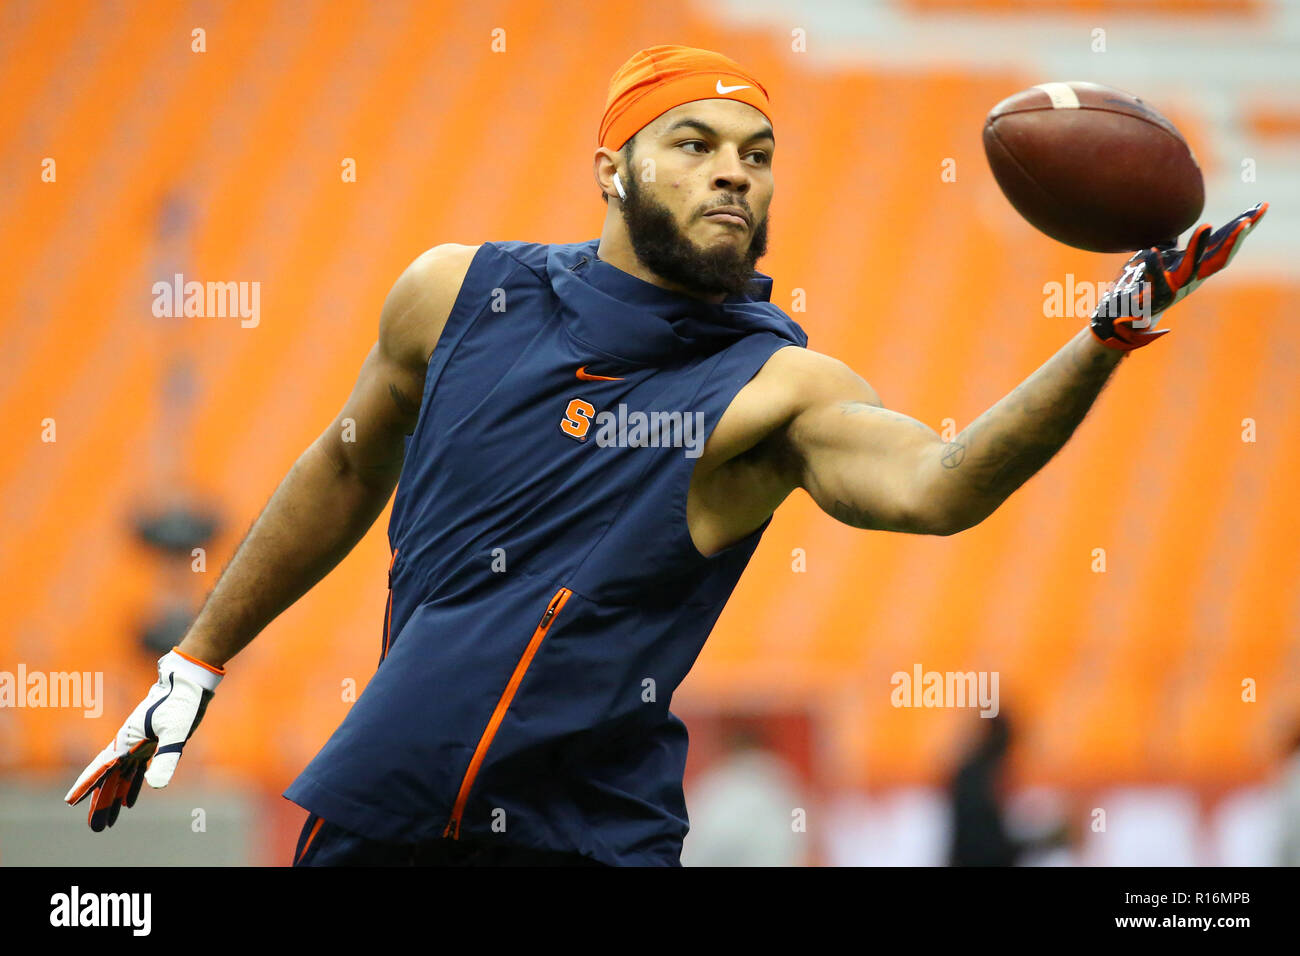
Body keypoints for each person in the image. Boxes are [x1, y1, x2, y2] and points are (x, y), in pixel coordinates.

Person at [64, 44, 1267, 866]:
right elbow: (339, 465)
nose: (733, 171)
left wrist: (1102, 337)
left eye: (755, 150)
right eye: (693, 143)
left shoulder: (772, 384)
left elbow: (939, 485)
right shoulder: (452, 295)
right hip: (388, 799)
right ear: (613, 168)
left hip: (589, 837)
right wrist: (197, 659)